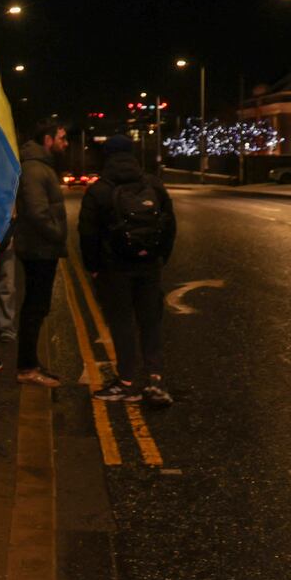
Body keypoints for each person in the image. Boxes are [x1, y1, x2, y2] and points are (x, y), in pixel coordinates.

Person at [78, 135, 177, 407]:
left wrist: (94, 268)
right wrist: (159, 259)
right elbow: (170, 227)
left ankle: (128, 383)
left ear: (107, 156)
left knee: (122, 323)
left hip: (115, 269)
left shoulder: (99, 190)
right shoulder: (154, 185)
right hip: (149, 267)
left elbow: (87, 234)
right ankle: (156, 379)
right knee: (150, 322)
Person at [13, 119, 70, 387]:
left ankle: (31, 363)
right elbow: (37, 211)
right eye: (62, 138)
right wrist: (57, 233)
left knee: (38, 306)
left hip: (40, 247)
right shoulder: (35, 169)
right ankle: (27, 367)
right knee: (35, 308)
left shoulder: (40, 166)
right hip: (39, 248)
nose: (65, 143)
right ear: (48, 139)